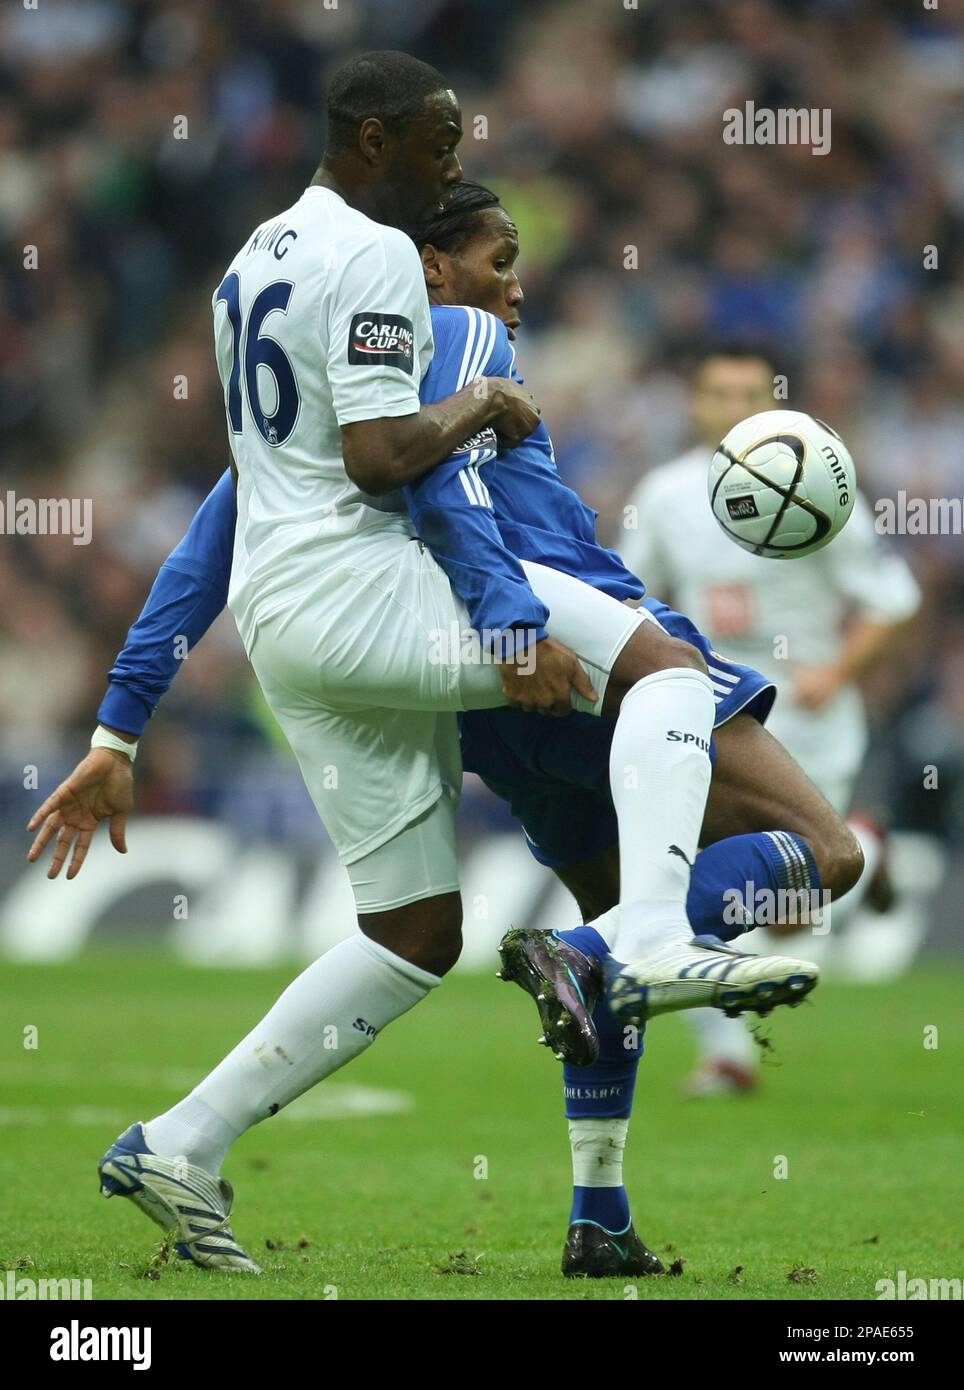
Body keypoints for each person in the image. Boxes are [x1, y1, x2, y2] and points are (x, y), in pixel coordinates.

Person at [29, 175, 854, 1276]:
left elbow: (208, 552)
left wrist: (118, 723)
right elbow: (447, 496)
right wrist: (518, 624)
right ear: (430, 266)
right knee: (826, 858)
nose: (513, 289)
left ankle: (597, 1208)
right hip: (564, 644)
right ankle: (618, 948)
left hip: (477, 700)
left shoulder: (331, 399)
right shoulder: (456, 333)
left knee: (543, 920)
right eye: (498, 258)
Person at [619, 346, 921, 1096]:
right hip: (712, 709)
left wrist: (835, 672)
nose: (733, 404)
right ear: (694, 402)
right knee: (678, 879)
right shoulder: (662, 495)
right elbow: (628, 596)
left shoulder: (817, 472)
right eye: (718, 391)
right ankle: (727, 1053)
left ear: (774, 399)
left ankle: (869, 851)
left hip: (806, 712)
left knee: (787, 907)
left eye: (749, 391)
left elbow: (893, 597)